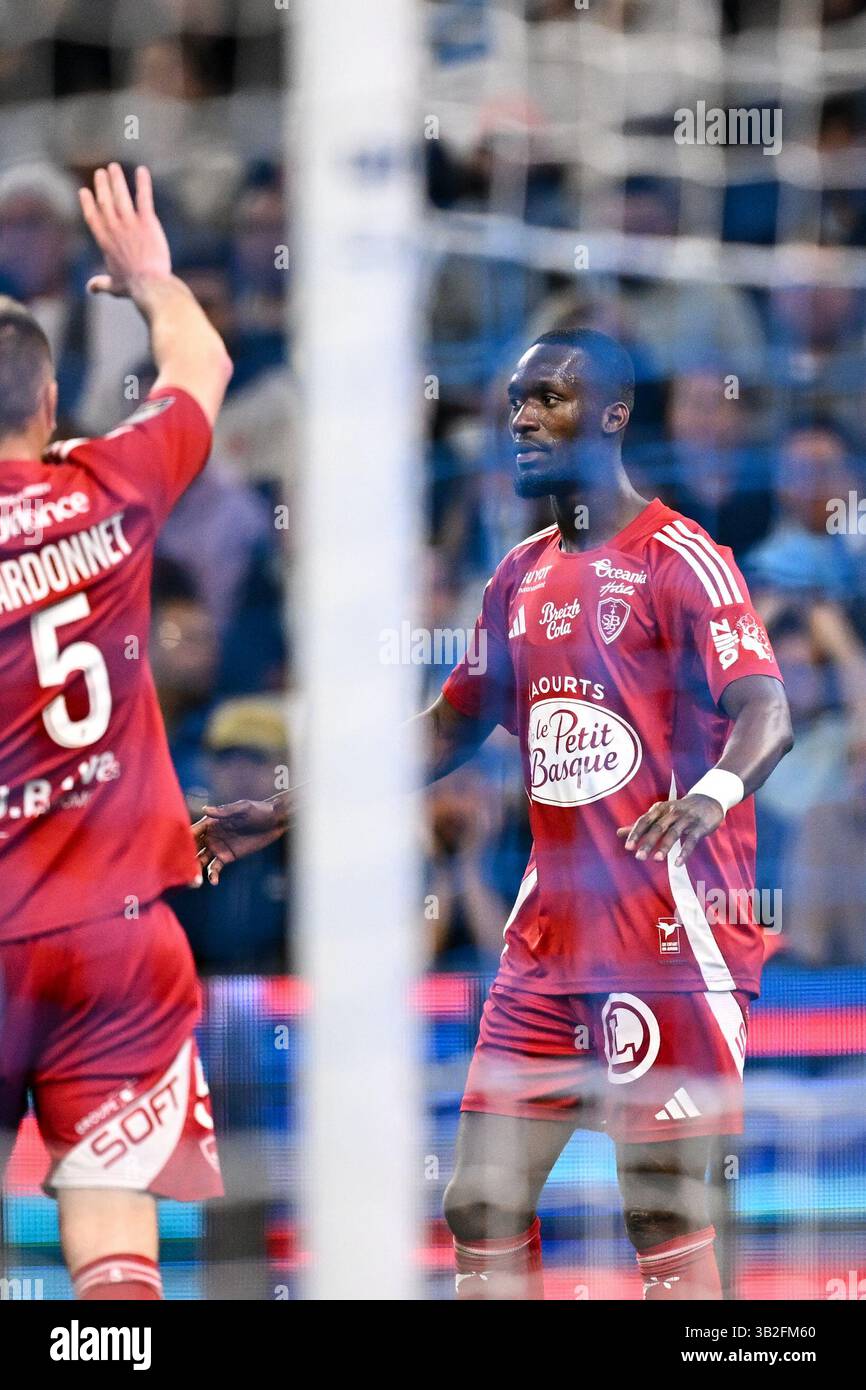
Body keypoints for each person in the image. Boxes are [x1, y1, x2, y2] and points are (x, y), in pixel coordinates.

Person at [193, 328, 793, 1301]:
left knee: (662, 1208)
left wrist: (705, 797)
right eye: (514, 399)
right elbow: (447, 726)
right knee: (477, 1198)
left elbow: (766, 709)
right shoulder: (516, 575)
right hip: (546, 942)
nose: (519, 417)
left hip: (668, 934)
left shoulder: (682, 559)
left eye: (546, 398)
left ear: (610, 414)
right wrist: (290, 808)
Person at [0, 163, 233, 1300]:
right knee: (114, 1261)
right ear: (48, 408)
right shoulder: (109, 485)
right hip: (116, 945)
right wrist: (151, 278)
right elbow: (203, 365)